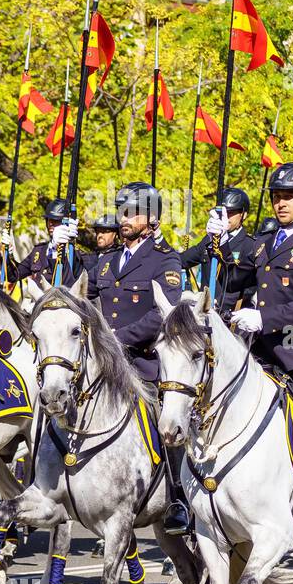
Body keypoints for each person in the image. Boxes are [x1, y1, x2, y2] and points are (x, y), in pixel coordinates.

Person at [85, 181, 188, 533]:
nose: (124, 219)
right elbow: (83, 300)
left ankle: (177, 498)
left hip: (143, 362)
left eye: (133, 212)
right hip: (105, 363)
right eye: (122, 211)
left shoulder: (166, 260)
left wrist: (116, 339)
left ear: (152, 218)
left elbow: (163, 315)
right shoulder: (107, 260)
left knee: (166, 423)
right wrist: (60, 250)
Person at [221, 161, 293, 459]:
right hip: (260, 353)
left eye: (289, 196)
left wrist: (262, 318)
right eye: (276, 196)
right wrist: (219, 242)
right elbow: (232, 279)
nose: (280, 203)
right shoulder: (262, 244)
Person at [181, 186, 257, 313]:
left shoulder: (250, 245)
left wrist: (222, 243)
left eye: (231, 212)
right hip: (202, 312)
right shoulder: (209, 240)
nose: (225, 217)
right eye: (222, 212)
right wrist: (157, 238)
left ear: (243, 215)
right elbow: (181, 260)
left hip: (231, 318)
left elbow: (235, 280)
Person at [3, 197, 83, 285]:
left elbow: (71, 282)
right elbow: (14, 276)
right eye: (49, 220)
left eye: (56, 220)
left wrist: (57, 249)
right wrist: (6, 254)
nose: (51, 223)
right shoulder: (38, 251)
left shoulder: (72, 253)